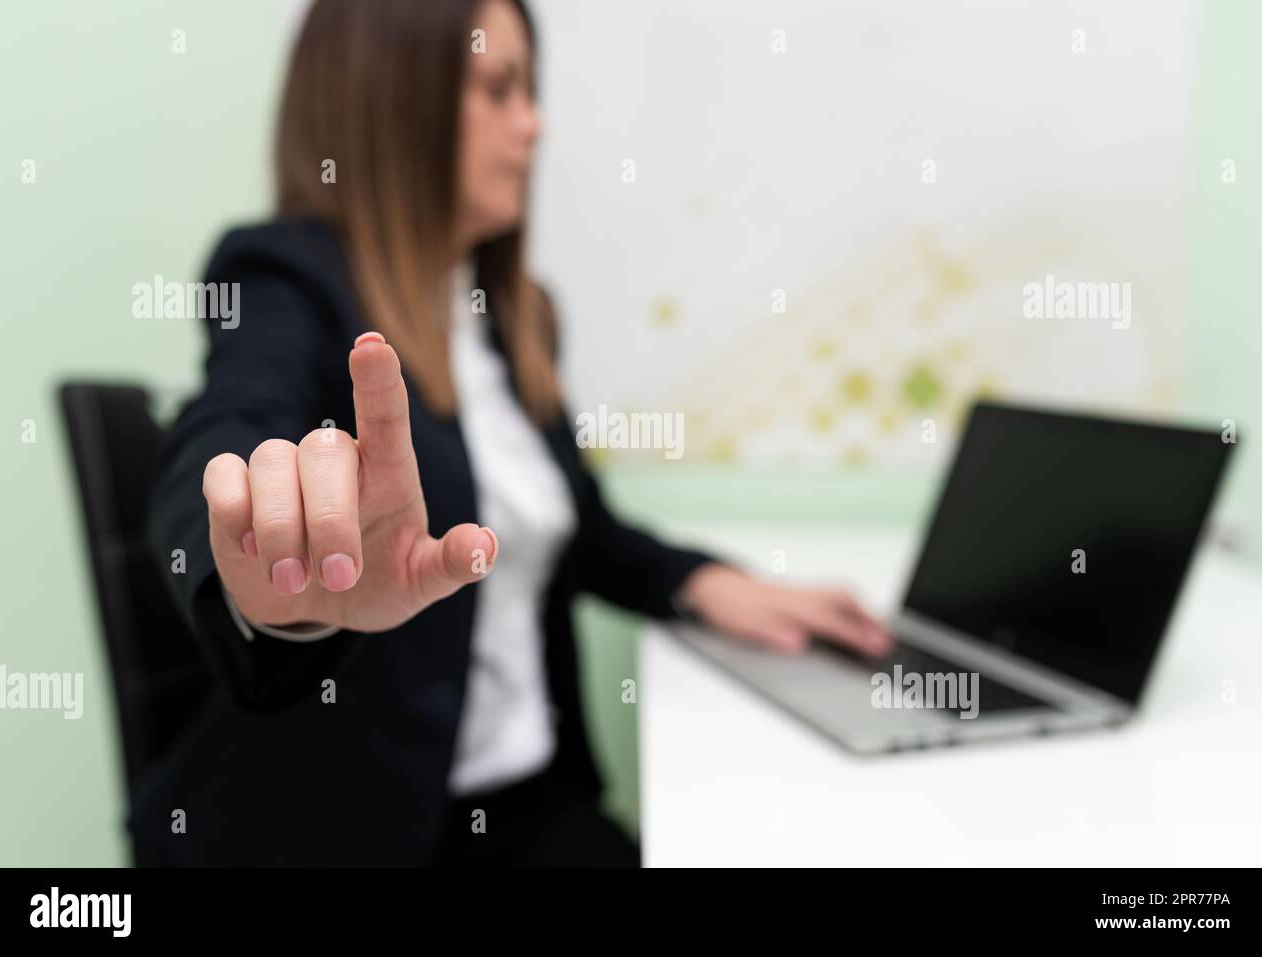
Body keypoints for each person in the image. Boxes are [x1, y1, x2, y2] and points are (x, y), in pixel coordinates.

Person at [140, 0, 891, 867]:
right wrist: (266, 575)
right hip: (363, 829)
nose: (532, 126)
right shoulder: (285, 277)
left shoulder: (513, 319)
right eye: (499, 89)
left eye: (531, 91)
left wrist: (706, 581)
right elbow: (228, 426)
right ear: (387, 95)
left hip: (534, 806)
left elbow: (584, 531)